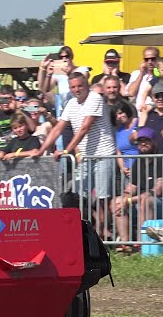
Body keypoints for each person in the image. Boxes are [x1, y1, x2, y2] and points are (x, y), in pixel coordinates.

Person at [33, 72, 117, 227]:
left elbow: (85, 127)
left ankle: (112, 234)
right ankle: (93, 231)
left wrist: (66, 151)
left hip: (103, 154)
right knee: (78, 197)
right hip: (86, 157)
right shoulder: (71, 104)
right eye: (73, 87)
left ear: (86, 86)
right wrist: (41, 150)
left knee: (102, 198)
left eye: (80, 86)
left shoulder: (95, 98)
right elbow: (58, 128)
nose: (77, 89)